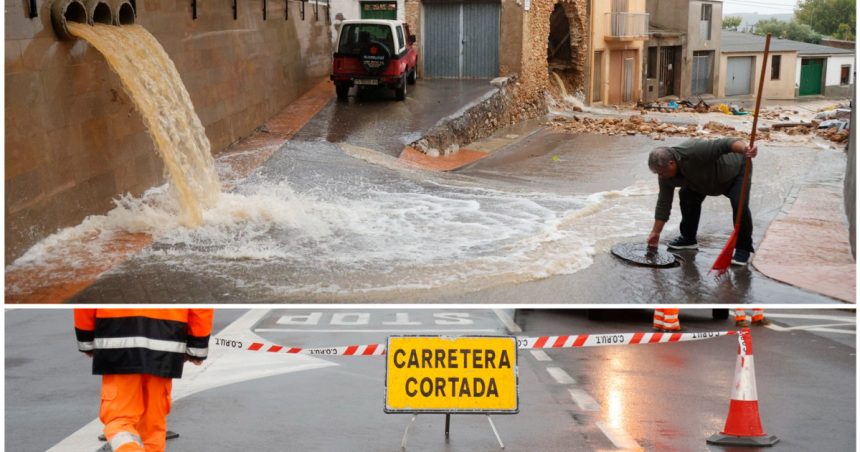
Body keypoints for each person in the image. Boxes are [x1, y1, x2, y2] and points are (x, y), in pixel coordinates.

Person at [75, 309, 214, 452]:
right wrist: (197, 345)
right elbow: (200, 309)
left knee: (120, 421)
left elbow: (84, 309)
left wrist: (86, 340)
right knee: (152, 426)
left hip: (118, 345)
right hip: (164, 346)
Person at [646, 138, 758, 266]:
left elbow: (726, 143)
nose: (660, 176)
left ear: (671, 163)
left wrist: (745, 149)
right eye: (657, 173)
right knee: (687, 195)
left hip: (733, 174)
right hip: (700, 181)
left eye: (661, 172)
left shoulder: (694, 150)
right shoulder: (665, 175)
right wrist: (656, 232)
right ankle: (688, 239)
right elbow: (664, 203)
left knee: (740, 205)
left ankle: (743, 248)